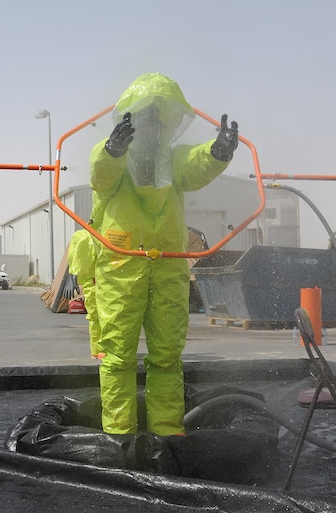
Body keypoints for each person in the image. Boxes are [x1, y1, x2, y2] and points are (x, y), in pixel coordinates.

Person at [90, 73, 238, 435]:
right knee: (117, 357)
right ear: (131, 121)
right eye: (146, 120)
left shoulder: (173, 161)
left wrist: (217, 152)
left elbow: (196, 164)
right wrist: (112, 150)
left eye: (159, 121)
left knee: (167, 358)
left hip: (168, 267)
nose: (153, 129)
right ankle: (119, 435)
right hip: (121, 269)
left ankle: (168, 434)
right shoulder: (114, 159)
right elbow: (100, 175)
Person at [65, 219, 103, 359]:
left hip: (98, 281)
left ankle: (101, 349)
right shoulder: (84, 236)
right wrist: (71, 276)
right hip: (94, 282)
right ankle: (98, 350)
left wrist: (72, 276)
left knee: (100, 317)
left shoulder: (83, 236)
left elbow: (73, 258)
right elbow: (73, 258)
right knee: (97, 317)